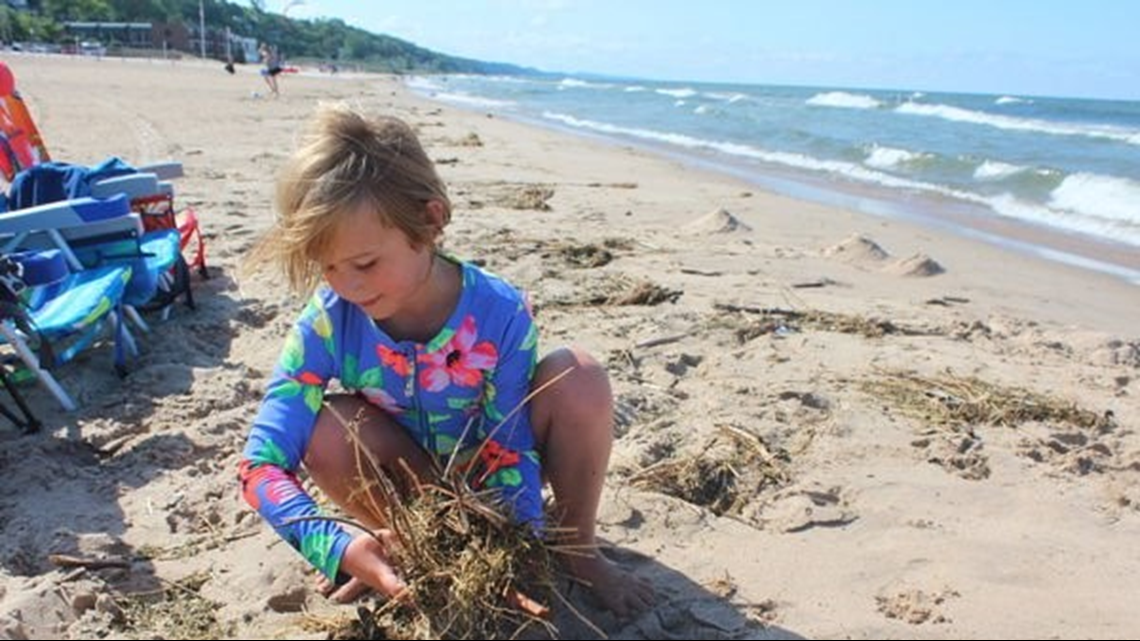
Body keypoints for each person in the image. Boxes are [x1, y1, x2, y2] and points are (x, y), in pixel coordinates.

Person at [238, 103, 655, 618]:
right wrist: (331, 543)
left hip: (491, 465)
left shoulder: (499, 313)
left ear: (429, 220)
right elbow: (258, 466)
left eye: (366, 263)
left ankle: (576, 548)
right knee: (325, 427)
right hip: (408, 485)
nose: (347, 285)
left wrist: (511, 553)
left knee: (580, 375)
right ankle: (407, 549)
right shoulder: (327, 322)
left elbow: (510, 449)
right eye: (328, 268)